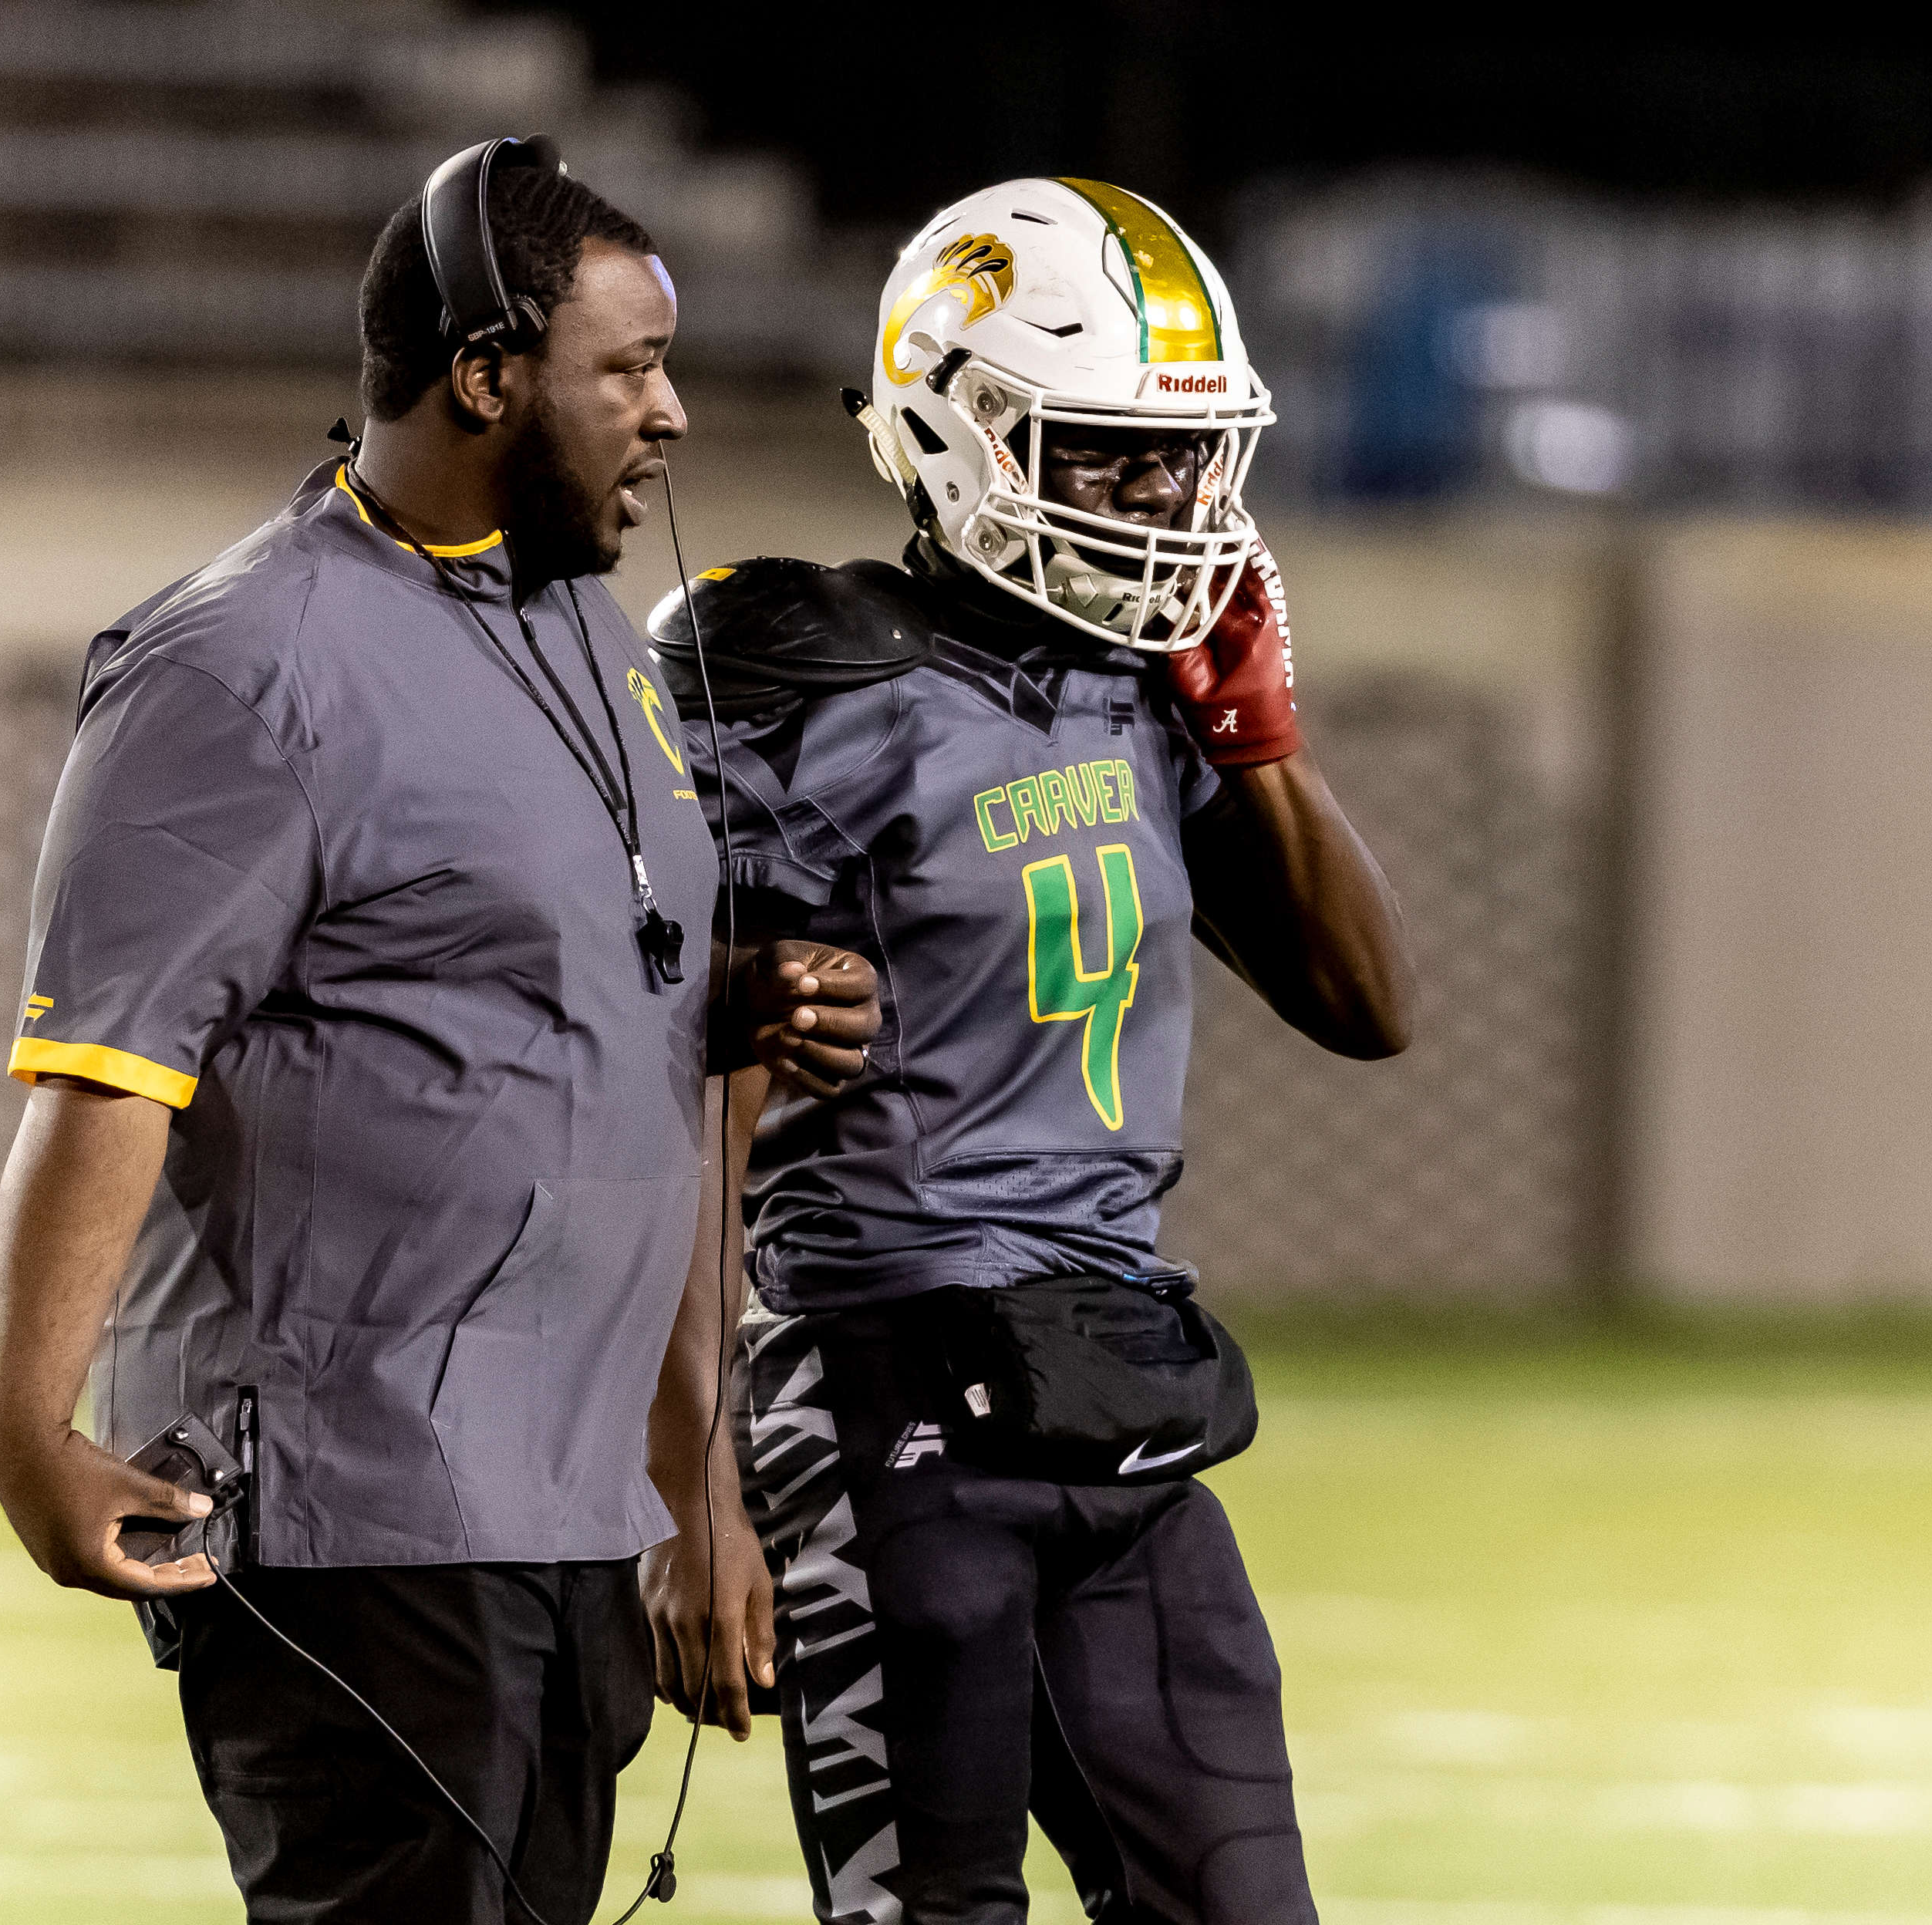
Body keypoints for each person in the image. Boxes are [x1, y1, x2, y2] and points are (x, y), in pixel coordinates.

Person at [0, 138, 878, 1925]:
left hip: (569, 1497)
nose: (674, 412)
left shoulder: (587, 630)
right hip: (356, 1501)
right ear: (486, 374)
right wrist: (25, 1430)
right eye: (628, 367)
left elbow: (566, 1016)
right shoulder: (240, 667)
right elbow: (106, 1067)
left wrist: (734, 1008)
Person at [638, 177, 1414, 1924]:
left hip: (1114, 1385)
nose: (1167, 500)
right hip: (884, 1378)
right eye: (1115, 454)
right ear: (958, 432)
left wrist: (1264, 739)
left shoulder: (1143, 680)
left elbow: (1372, 1009)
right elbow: (685, 1105)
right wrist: (691, 1486)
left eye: (1187, 456)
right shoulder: (792, 674)